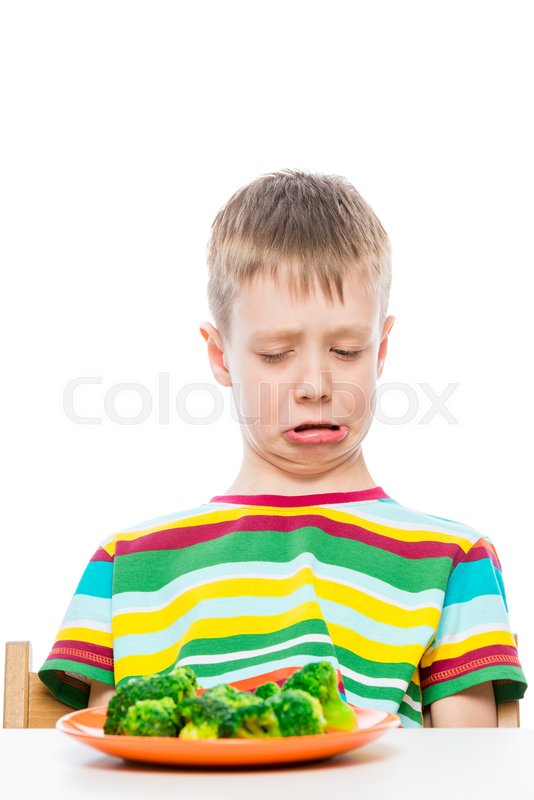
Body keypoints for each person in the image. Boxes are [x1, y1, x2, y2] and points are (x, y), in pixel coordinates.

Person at [38, 169, 527, 728]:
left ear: (382, 350)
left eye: (346, 350)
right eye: (275, 354)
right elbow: (112, 759)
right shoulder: (125, 566)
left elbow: (469, 776)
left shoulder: (452, 561)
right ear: (220, 357)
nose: (315, 384)